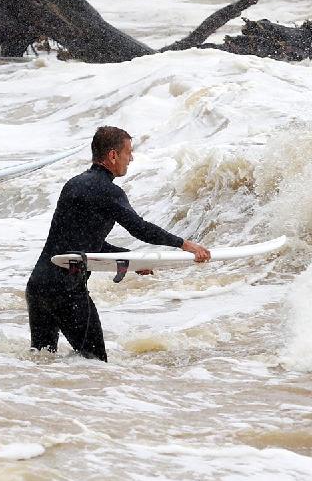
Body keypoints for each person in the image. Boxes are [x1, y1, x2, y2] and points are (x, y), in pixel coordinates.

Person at [27, 126, 210, 361]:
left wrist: (131, 260)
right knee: (95, 364)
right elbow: (140, 228)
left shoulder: (73, 184)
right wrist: (184, 244)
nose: (131, 158)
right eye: (128, 153)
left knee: (41, 360)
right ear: (113, 155)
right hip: (66, 290)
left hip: (39, 285)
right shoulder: (109, 191)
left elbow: (84, 244)